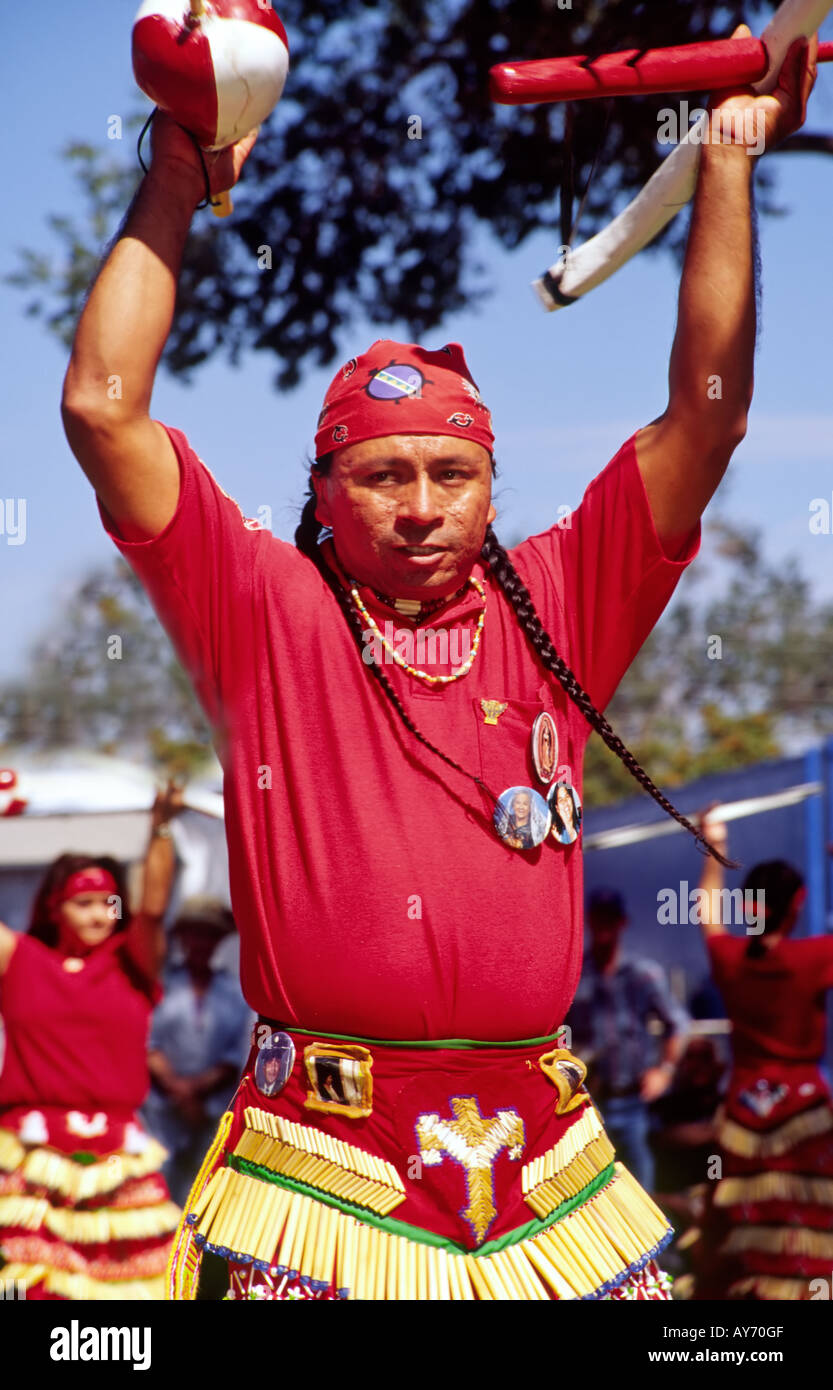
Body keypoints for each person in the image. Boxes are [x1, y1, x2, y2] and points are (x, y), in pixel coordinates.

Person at [59, 31, 816, 1301]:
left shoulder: (563, 601)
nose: (420, 506)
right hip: (324, 1173)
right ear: (324, 492)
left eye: (450, 474)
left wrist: (727, 156)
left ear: (487, 488)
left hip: (552, 1180)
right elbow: (102, 404)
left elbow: (711, 411)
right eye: (382, 475)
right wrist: (182, 169)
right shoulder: (265, 609)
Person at [0, 786, 182, 1300]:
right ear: (55, 907)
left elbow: (152, 906)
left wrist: (161, 829)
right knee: (29, 1285)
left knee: (129, 1286)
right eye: (84, 903)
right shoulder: (21, 959)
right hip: (30, 1152)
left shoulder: (131, 962)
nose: (101, 914)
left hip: (117, 1155)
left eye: (108, 902)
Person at [692, 814, 833, 1301]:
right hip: (805, 1117)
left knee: (729, 1227)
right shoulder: (812, 959)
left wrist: (714, 847)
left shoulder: (731, 959)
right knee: (817, 1228)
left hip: (740, 1118)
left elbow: (707, 913)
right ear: (797, 905)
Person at [566, 889, 690, 1191]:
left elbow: (679, 1023)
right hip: (589, 1103)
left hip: (634, 1102)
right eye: (599, 918)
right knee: (590, 1190)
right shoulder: (575, 974)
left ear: (622, 922)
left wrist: (665, 1071)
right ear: (590, 921)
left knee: (640, 1190)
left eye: (611, 918)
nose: (604, 925)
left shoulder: (642, 974)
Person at [143, 897, 253, 1206]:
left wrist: (196, 1093)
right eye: (194, 933)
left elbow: (235, 1054)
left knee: (202, 1190)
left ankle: (194, 1254)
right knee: (156, 1185)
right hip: (161, 1109)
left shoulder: (233, 991)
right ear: (182, 937)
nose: (200, 942)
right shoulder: (160, 984)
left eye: (209, 934)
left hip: (212, 1108)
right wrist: (179, 1092)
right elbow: (148, 1043)